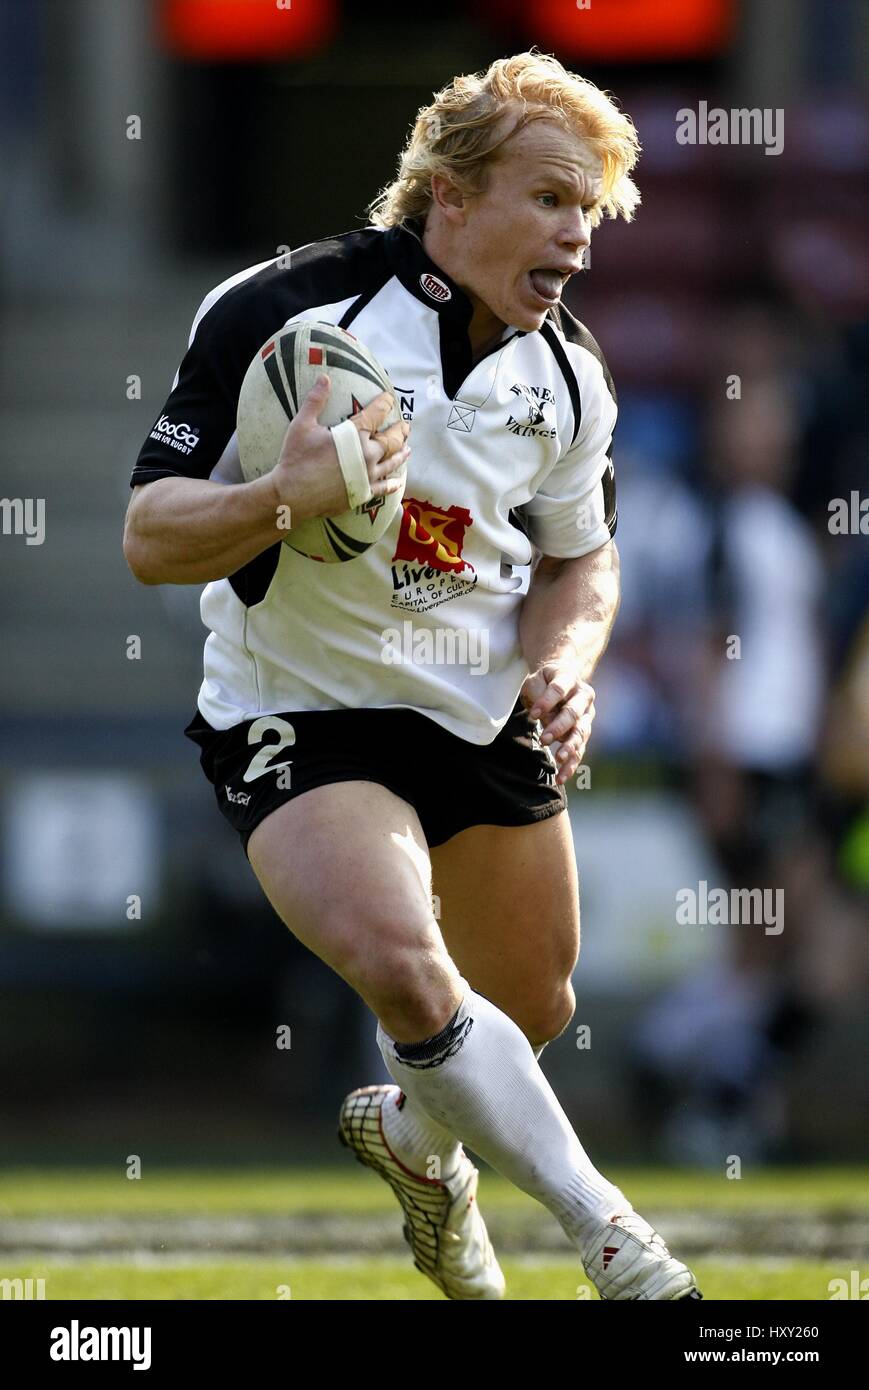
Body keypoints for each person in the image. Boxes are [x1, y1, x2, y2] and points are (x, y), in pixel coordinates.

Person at [124, 52, 701, 1301]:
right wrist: (285, 496)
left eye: (589, 213)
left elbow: (581, 564)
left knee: (530, 1005)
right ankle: (613, 1238)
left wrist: (562, 666)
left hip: (472, 711)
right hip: (301, 708)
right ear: (448, 193)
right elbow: (149, 537)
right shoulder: (281, 313)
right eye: (550, 199)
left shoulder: (567, 376)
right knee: (405, 967)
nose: (576, 239)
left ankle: (416, 1144)